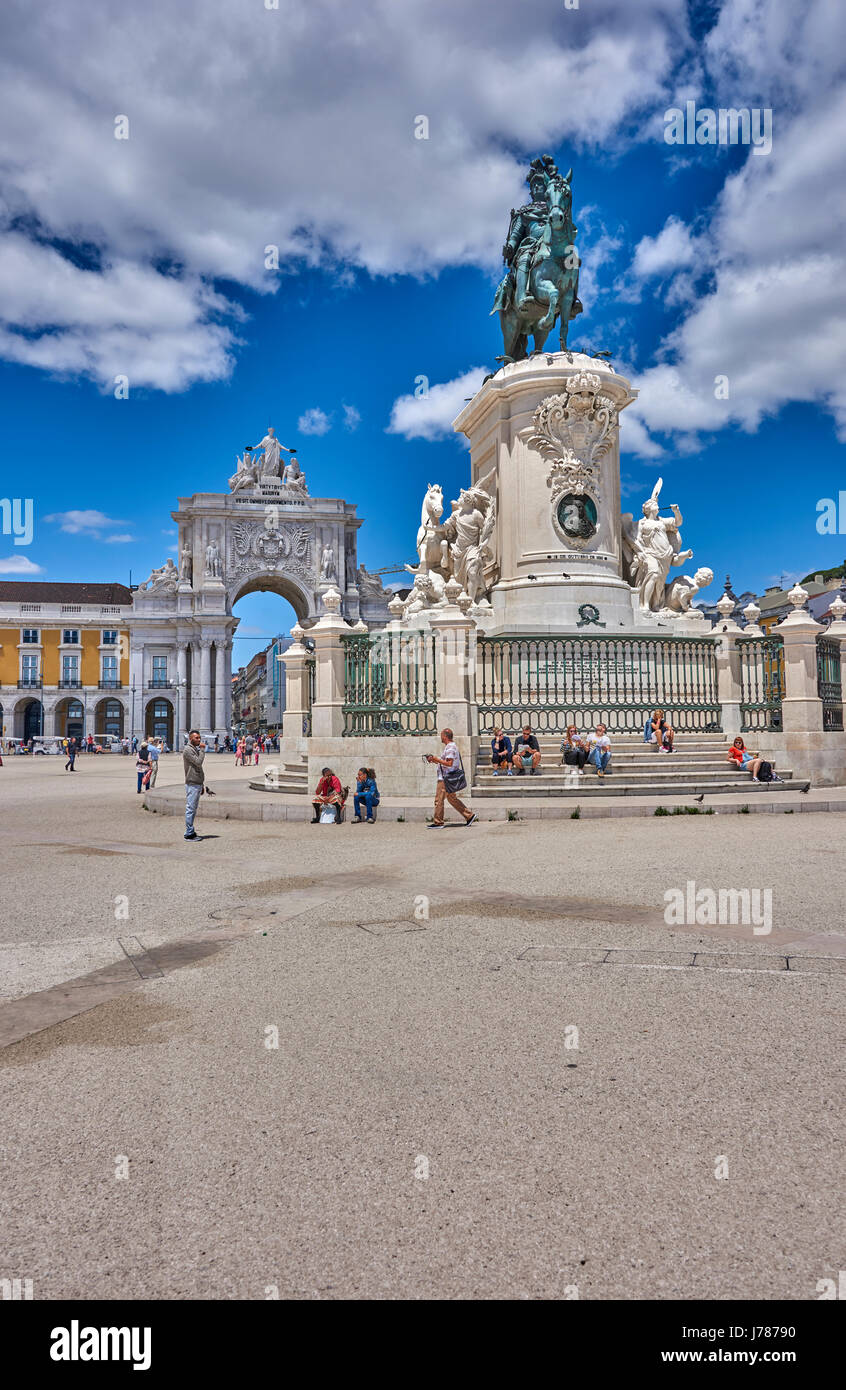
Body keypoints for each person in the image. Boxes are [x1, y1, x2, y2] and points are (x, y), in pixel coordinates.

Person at [426, 728, 476, 828]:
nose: (440, 737)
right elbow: (446, 762)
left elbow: (449, 763)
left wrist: (436, 759)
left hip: (445, 778)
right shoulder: (450, 747)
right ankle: (469, 816)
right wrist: (434, 760)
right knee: (452, 799)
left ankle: (438, 822)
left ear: (445, 736)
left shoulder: (450, 747)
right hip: (448, 777)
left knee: (439, 800)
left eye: (441, 735)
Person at [183, 730, 205, 839]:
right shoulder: (188, 750)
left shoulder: (193, 749)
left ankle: (190, 831)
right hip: (192, 782)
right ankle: (189, 833)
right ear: (191, 738)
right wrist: (202, 750)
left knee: (193, 808)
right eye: (197, 738)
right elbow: (198, 762)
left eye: (199, 737)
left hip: (196, 782)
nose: (199, 740)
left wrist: (202, 784)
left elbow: (198, 768)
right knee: (190, 808)